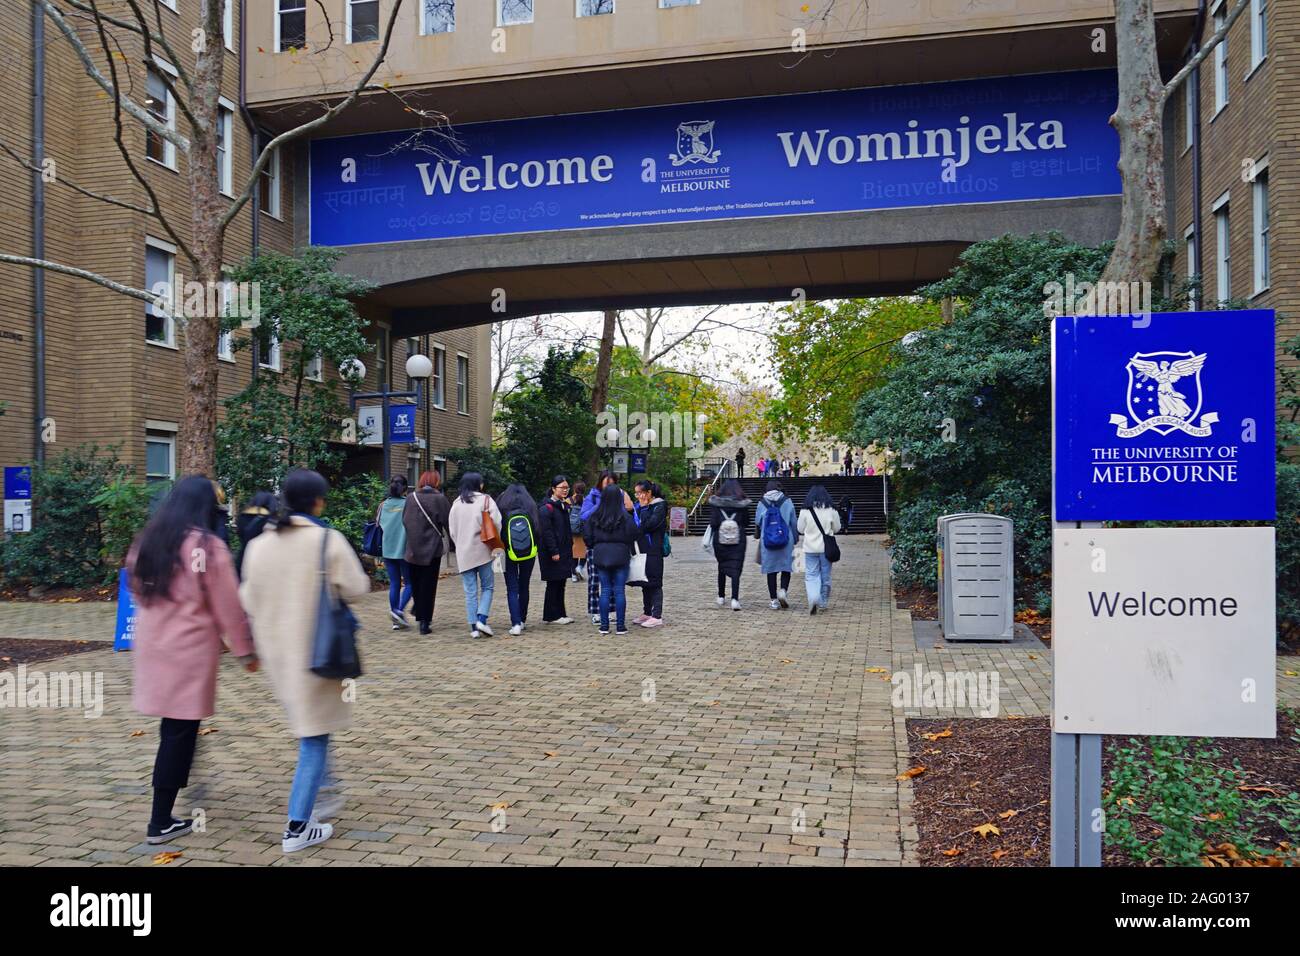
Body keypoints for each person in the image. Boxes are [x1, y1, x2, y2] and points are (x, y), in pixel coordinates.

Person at [240, 468, 370, 853]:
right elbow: (358, 588)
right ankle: (298, 826)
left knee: (312, 729)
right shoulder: (326, 540)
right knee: (314, 737)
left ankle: (321, 796)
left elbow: (247, 598)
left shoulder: (259, 543)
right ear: (317, 501)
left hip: (277, 653)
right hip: (318, 652)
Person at [128, 475, 257, 846]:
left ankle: (179, 792)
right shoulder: (206, 546)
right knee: (179, 732)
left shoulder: (149, 539)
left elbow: (135, 586)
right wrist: (244, 648)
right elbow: (228, 604)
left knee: (175, 729)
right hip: (188, 650)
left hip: (154, 644)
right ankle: (160, 820)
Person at [447, 472, 502, 638]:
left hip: (464, 552)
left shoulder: (456, 504)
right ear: (479, 484)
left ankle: (473, 628)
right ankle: (482, 619)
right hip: (484, 550)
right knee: (487, 587)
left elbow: (452, 531)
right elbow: (497, 523)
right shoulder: (486, 500)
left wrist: (460, 545)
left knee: (470, 591)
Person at [584, 481, 640, 635]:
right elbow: (635, 533)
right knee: (619, 591)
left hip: (601, 554)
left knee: (605, 590)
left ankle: (604, 626)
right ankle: (620, 626)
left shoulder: (595, 515)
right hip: (621, 554)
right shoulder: (625, 517)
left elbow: (587, 536)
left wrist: (595, 545)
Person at [403, 470, 450, 635]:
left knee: (416, 583)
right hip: (432, 549)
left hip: (412, 549)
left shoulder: (410, 498)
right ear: (436, 482)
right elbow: (447, 521)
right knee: (429, 585)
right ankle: (425, 622)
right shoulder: (440, 499)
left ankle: (419, 609)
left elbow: (405, 520)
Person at [580, 471, 629, 626]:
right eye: (607, 483)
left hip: (616, 547)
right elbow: (584, 516)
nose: (609, 486)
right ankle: (595, 611)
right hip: (597, 546)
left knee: (614, 580)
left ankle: (612, 611)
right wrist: (600, 506)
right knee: (595, 580)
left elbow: (629, 521)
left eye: (612, 483)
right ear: (600, 483)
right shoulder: (592, 497)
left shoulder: (619, 497)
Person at [497, 482, 541, 636]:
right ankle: (522, 620)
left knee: (512, 588)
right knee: (524, 585)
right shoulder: (531, 505)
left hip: (506, 551)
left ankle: (515, 623)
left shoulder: (501, 504)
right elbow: (537, 529)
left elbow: (496, 528)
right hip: (529, 552)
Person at [798, 484, 842, 615]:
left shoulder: (805, 511)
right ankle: (823, 601)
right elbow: (837, 528)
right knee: (825, 576)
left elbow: (800, 529)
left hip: (810, 548)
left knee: (811, 575)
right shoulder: (832, 510)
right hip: (826, 548)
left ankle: (813, 598)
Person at [707, 478, 751, 610]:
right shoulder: (742, 505)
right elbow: (747, 522)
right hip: (738, 541)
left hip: (720, 541)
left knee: (722, 566)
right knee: (736, 568)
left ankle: (721, 596)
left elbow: (713, 523)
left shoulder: (716, 504)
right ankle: (735, 599)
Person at [754, 479, 797, 610]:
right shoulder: (787, 501)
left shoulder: (762, 502)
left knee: (771, 570)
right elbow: (793, 521)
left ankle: (773, 600)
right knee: (786, 567)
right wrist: (795, 538)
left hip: (768, 540)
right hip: (786, 539)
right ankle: (783, 591)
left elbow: (758, 521)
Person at [539, 475, 576, 625]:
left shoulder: (562, 506)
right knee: (554, 583)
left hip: (564, 550)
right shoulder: (547, 508)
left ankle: (560, 613)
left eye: (567, 488)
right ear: (553, 489)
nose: (565, 490)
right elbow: (547, 532)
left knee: (561, 582)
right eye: (562, 488)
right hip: (553, 553)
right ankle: (551, 615)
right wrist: (554, 551)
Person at [631, 479, 668, 628]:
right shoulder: (640, 507)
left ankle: (657, 615)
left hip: (654, 549)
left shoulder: (659, 506)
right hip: (643, 549)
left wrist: (645, 508)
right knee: (645, 581)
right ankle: (647, 612)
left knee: (655, 582)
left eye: (640, 493)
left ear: (649, 493)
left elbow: (647, 526)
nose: (638, 496)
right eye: (636, 493)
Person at [378, 476, 413, 630]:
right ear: (405, 488)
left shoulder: (383, 505)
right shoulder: (408, 504)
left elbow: (378, 524)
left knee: (394, 583)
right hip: (404, 550)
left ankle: (395, 620)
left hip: (387, 549)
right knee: (411, 583)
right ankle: (398, 611)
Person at [234, 490, 277, 578]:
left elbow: (239, 533)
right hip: (262, 561)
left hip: (242, 559)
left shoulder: (242, 517)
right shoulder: (269, 520)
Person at [568, 480, 587, 583]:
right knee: (584, 552)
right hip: (582, 531)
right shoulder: (586, 501)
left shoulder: (568, 501)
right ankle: (580, 567)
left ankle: (573, 574)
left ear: (574, 489)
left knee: (573, 553)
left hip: (571, 532)